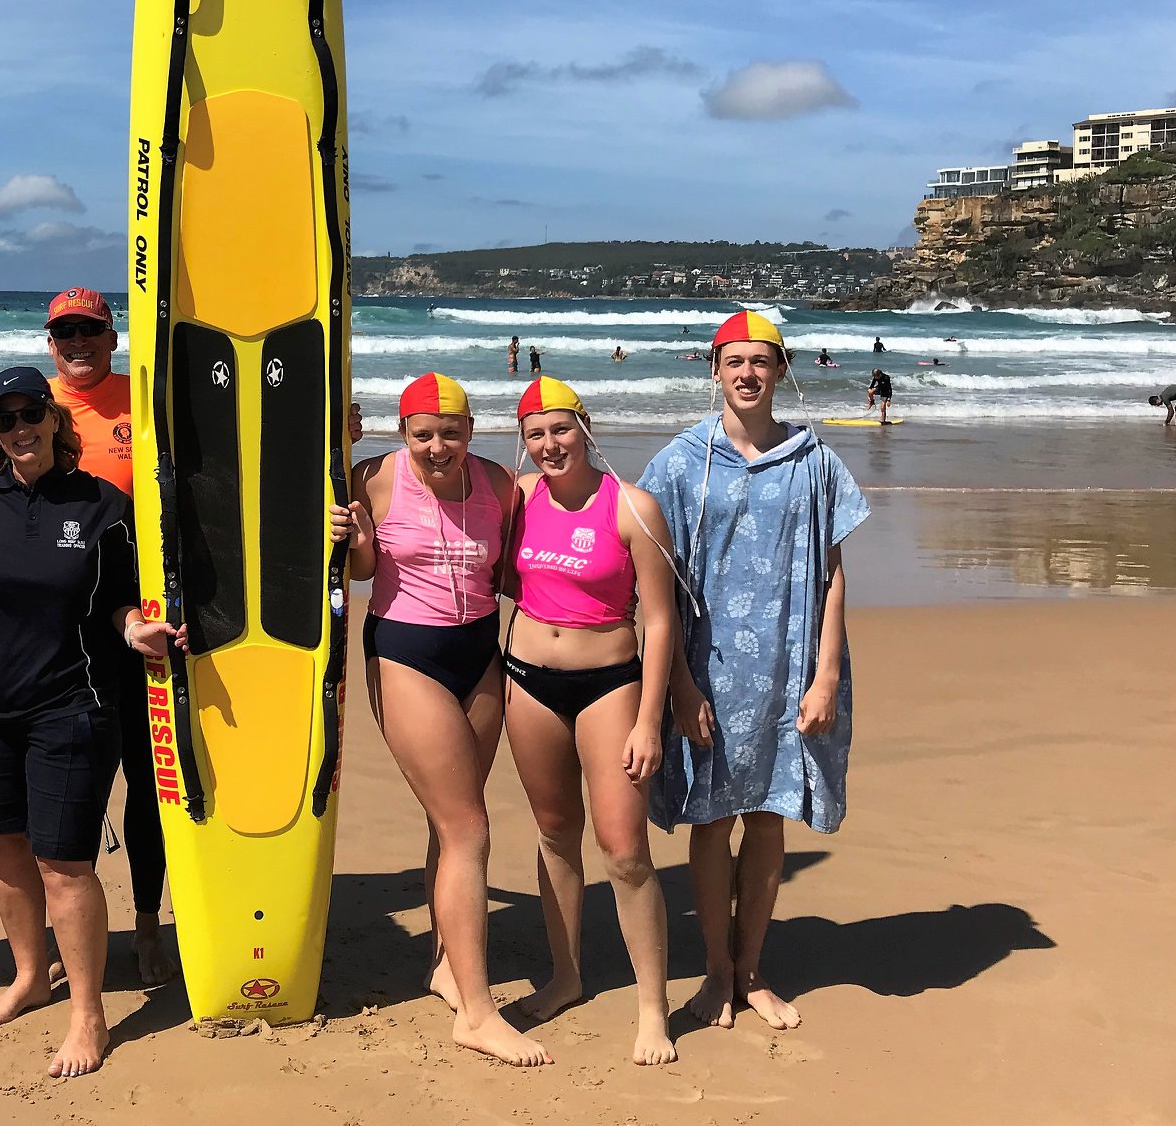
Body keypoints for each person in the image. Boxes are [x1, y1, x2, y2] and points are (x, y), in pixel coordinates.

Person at [0, 367, 165, 1080]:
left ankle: (87, 1012)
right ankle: (31, 975)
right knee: (5, 850)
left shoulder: (102, 504)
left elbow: (123, 596)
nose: (20, 428)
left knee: (64, 864)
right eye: (5, 419)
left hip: (72, 703)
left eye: (31, 413)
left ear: (55, 420)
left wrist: (135, 630)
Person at [639, 310, 869, 1032]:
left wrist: (825, 675)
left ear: (780, 369)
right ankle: (715, 972)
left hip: (788, 668)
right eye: (734, 361)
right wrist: (678, 685)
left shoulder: (814, 461)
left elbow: (833, 573)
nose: (747, 374)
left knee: (769, 817)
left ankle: (751, 970)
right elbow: (654, 583)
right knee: (711, 822)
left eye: (760, 361)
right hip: (706, 674)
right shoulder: (680, 463)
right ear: (715, 370)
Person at [347, 373, 542, 1065]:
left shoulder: (498, 484)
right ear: (403, 433)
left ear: (471, 431)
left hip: (478, 653)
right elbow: (361, 569)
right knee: (468, 827)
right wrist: (351, 538)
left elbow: (514, 573)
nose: (438, 447)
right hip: (407, 652)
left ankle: (443, 964)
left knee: (451, 820)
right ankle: (478, 1014)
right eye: (423, 434)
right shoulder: (374, 477)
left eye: (450, 433)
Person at [501, 378, 679, 1066]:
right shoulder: (518, 498)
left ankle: (652, 1007)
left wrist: (650, 719)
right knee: (554, 833)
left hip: (610, 685)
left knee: (625, 848)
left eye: (561, 429)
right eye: (536, 433)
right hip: (527, 680)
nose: (550, 444)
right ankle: (566, 976)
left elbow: (660, 620)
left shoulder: (632, 506)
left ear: (584, 427)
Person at [41, 288, 175, 986]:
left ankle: (148, 923)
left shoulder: (144, 398)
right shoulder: (32, 408)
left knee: (148, 783)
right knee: (68, 785)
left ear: (111, 335)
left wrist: (334, 433)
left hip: (136, 613)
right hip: (62, 625)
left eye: (89, 329)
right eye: (65, 332)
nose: (78, 342)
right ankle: (67, 931)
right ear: (50, 342)